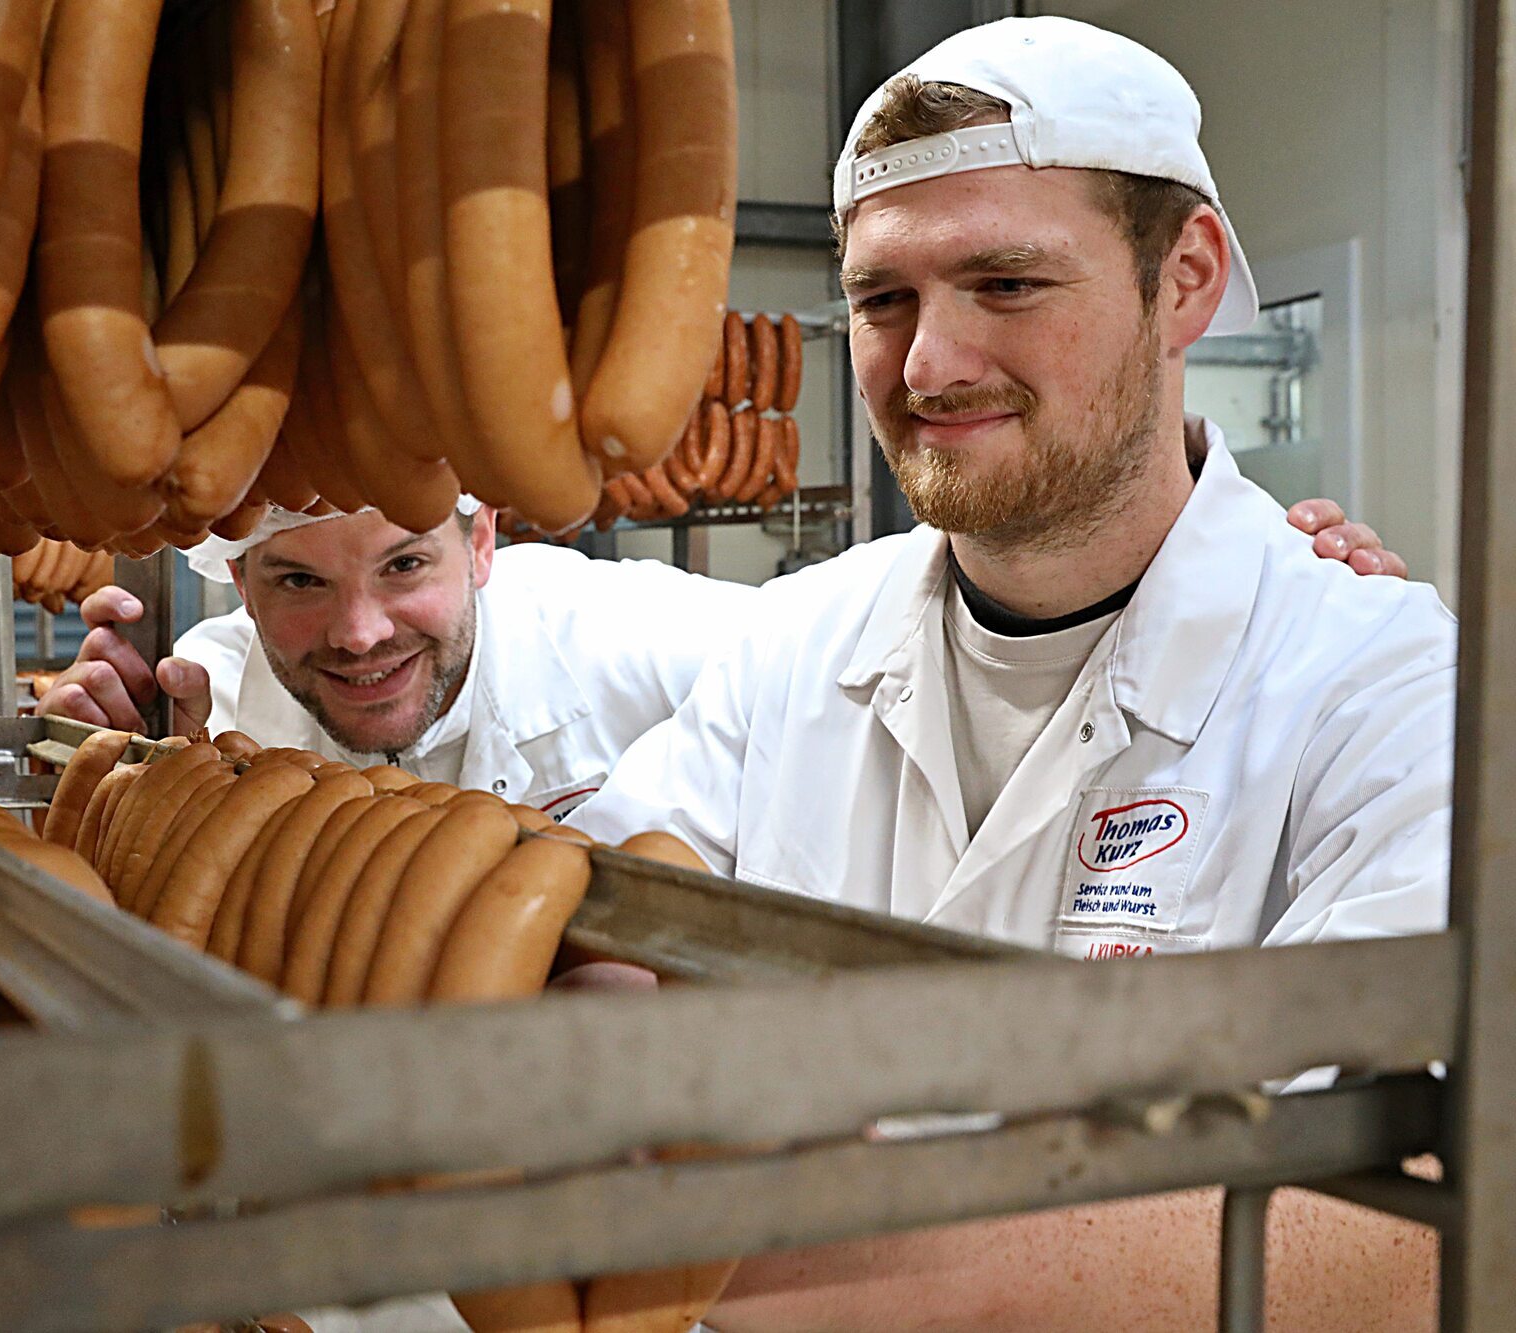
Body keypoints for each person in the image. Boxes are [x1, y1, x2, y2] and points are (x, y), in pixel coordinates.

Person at [569, 16, 1448, 1329]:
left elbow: (1402, 1225)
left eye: (1007, 285)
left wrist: (658, 1240)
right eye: (884, 299)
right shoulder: (793, 644)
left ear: (1187, 279)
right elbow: (601, 925)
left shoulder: (1389, 692)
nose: (928, 364)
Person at [39, 495, 1400, 816]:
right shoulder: (201, 697)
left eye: (405, 566)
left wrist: (1241, 580)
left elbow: (915, 646)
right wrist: (99, 791)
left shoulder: (625, 628)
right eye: (298, 581)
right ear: (241, 581)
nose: (358, 631)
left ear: (484, 550)